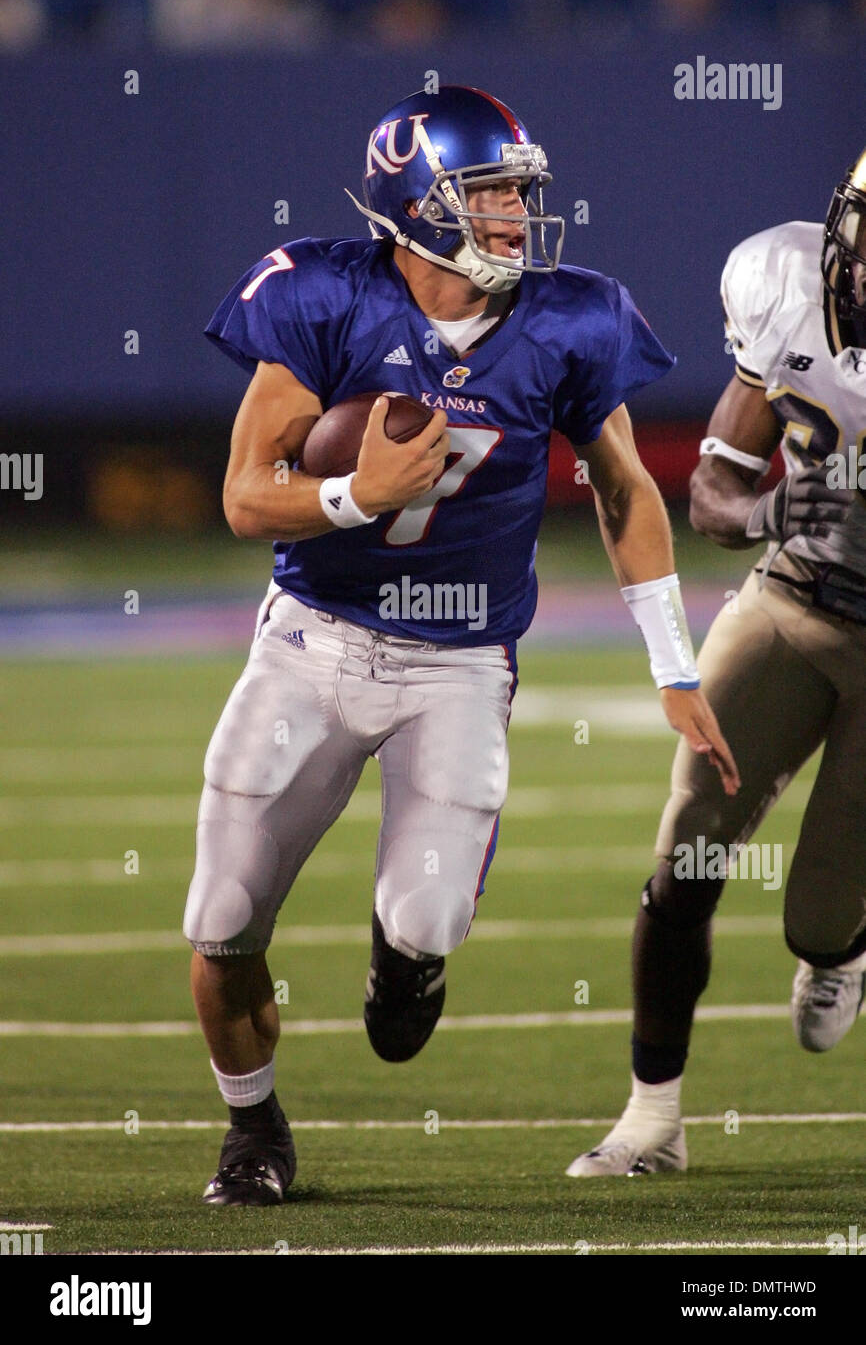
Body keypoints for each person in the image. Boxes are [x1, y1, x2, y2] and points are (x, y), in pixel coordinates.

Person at [183, 83, 737, 1206]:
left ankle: (406, 957)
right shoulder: (322, 297)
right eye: (484, 195)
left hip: (460, 662)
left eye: (515, 194)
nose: (512, 218)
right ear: (412, 204)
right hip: (313, 640)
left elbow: (624, 489)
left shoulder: (571, 316)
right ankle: (253, 1128)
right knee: (220, 920)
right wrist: (351, 496)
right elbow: (246, 495)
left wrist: (674, 663)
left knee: (425, 923)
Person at [567, 150, 866, 1179]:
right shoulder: (777, 284)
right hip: (791, 600)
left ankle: (835, 952)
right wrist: (767, 510)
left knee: (817, 914)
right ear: (837, 229)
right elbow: (712, 490)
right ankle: (652, 1119)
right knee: (684, 856)